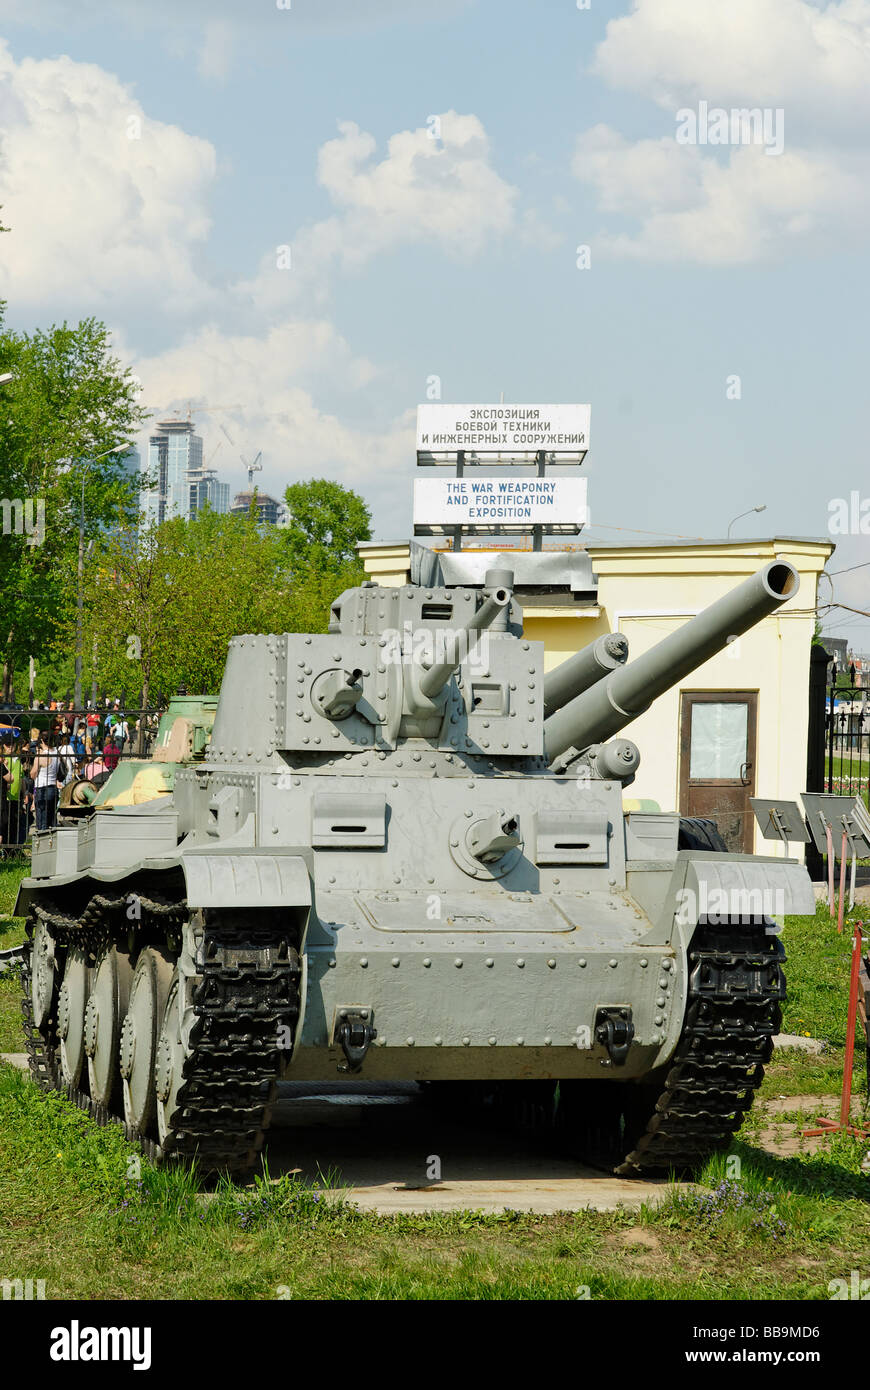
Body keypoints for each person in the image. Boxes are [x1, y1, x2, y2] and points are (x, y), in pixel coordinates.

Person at [32, 733, 64, 832]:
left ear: (42, 741)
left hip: (42, 788)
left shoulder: (41, 756)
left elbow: (33, 774)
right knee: (51, 818)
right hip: (53, 787)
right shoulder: (57, 753)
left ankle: (42, 839)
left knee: (42, 820)